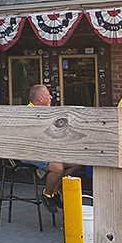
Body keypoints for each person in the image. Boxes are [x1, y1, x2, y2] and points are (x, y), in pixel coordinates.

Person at [23, 84, 85, 213]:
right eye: (48, 95)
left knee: (77, 163)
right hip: (29, 152)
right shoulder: (28, 113)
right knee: (58, 167)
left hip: (45, 151)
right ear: (40, 99)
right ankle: (46, 195)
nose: (51, 97)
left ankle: (54, 191)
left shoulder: (45, 112)